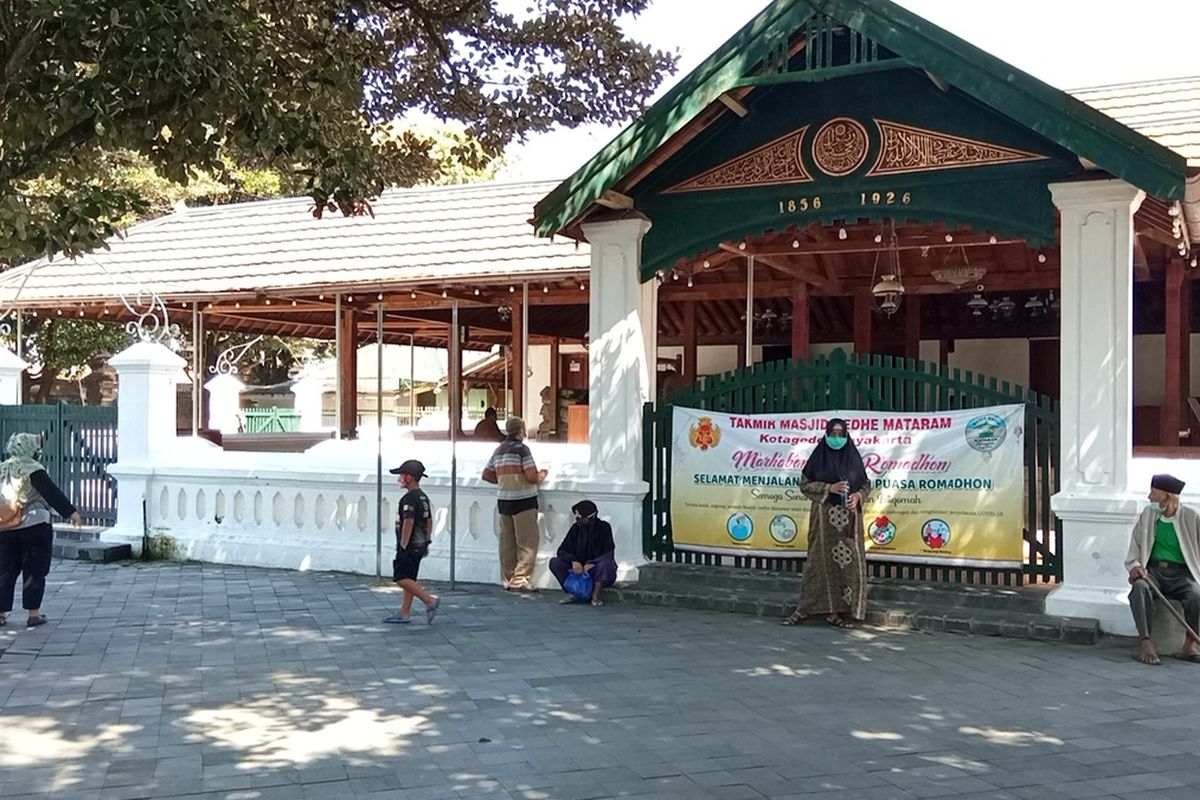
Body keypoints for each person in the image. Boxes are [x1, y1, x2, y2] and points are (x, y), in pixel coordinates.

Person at [781, 418, 870, 629]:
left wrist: (858, 496)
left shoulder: (853, 458)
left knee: (848, 565)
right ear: (826, 434)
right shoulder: (818, 458)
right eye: (833, 434)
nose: (837, 438)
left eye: (841, 434)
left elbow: (866, 484)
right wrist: (829, 488)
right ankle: (803, 608)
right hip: (823, 520)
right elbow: (804, 484)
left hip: (849, 522)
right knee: (818, 563)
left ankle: (836, 612)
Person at [0, 432, 81, 628]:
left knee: (5, 570)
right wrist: (71, 512)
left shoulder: (3, 469)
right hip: (35, 525)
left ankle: (1, 613)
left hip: (6, 526)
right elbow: (51, 492)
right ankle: (33, 614)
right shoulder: (32, 469)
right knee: (35, 569)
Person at [1126, 473, 1200, 665]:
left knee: (1196, 595)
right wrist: (1135, 567)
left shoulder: (1192, 518)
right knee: (1140, 588)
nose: (1149, 497)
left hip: (1183, 574)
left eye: (1153, 493)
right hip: (1154, 572)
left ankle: (1191, 642)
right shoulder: (1148, 515)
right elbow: (1135, 547)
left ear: (1168, 497)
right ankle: (1146, 641)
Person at [481, 416, 547, 592]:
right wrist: (542, 474)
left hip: (504, 500)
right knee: (527, 542)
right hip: (523, 500)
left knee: (507, 542)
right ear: (521, 430)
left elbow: (486, 474)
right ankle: (519, 579)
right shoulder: (522, 450)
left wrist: (504, 480)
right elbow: (531, 476)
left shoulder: (499, 450)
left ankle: (507, 578)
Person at [383, 459, 440, 624]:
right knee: (410, 577)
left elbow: (408, 522)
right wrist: (427, 540)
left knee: (401, 577)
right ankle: (404, 612)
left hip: (410, 544)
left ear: (410, 477)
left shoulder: (409, 499)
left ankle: (430, 601)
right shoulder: (423, 497)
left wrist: (403, 544)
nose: (400, 478)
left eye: (402, 475)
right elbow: (429, 520)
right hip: (421, 543)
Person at [549, 500, 617, 606]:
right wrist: (574, 561)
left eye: (579, 514)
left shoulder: (603, 528)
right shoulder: (575, 528)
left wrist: (592, 563)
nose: (577, 516)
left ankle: (595, 596)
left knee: (605, 565)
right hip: (578, 569)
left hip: (595, 567)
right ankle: (575, 592)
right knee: (555, 563)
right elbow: (562, 550)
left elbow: (608, 551)